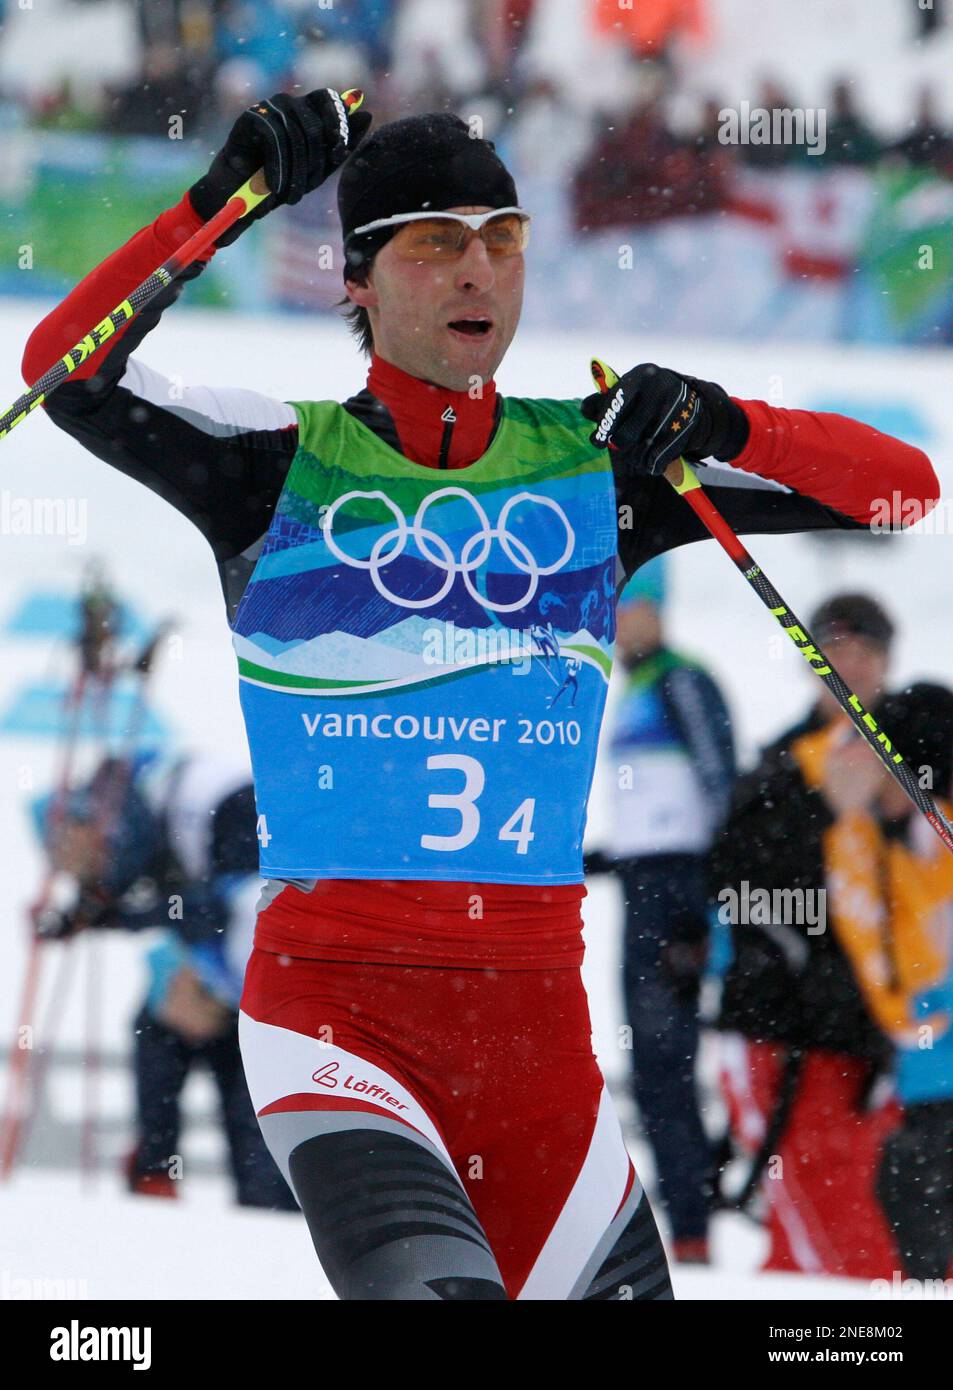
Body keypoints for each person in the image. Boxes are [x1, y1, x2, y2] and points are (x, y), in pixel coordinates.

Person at [21, 89, 938, 1300]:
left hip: (535, 1050)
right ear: (357, 277)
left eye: (501, 240)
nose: (477, 272)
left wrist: (728, 421)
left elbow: (901, 493)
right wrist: (221, 200)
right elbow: (64, 374)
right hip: (339, 1026)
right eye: (435, 242)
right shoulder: (272, 463)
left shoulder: (603, 464)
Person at [713, 594, 903, 1279]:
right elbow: (734, 883)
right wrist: (825, 810)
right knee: (829, 1226)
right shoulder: (782, 767)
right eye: (833, 652)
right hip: (785, 1033)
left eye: (864, 652)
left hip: (881, 1036)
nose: (848, 667)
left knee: (834, 1222)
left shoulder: (916, 762)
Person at [36, 750, 295, 1212]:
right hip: (251, 995)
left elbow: (222, 910)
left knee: (255, 1125)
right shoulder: (153, 807)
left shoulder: (216, 805)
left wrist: (113, 917)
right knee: (161, 1024)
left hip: (273, 1005)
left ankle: (174, 1177)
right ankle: (158, 1174)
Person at [585, 556, 734, 1262]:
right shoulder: (634, 686)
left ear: (653, 608)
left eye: (624, 606)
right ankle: (688, 1225)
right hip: (646, 885)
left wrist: (704, 913)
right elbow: (655, 811)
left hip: (679, 894)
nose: (612, 623)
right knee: (650, 1066)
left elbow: (721, 792)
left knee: (668, 1060)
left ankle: (697, 1229)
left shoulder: (680, 678)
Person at [822, 683, 953, 1282]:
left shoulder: (930, 838)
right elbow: (883, 961)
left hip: (933, 1058)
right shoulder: (865, 844)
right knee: (910, 1177)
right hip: (927, 1065)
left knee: (915, 1172)